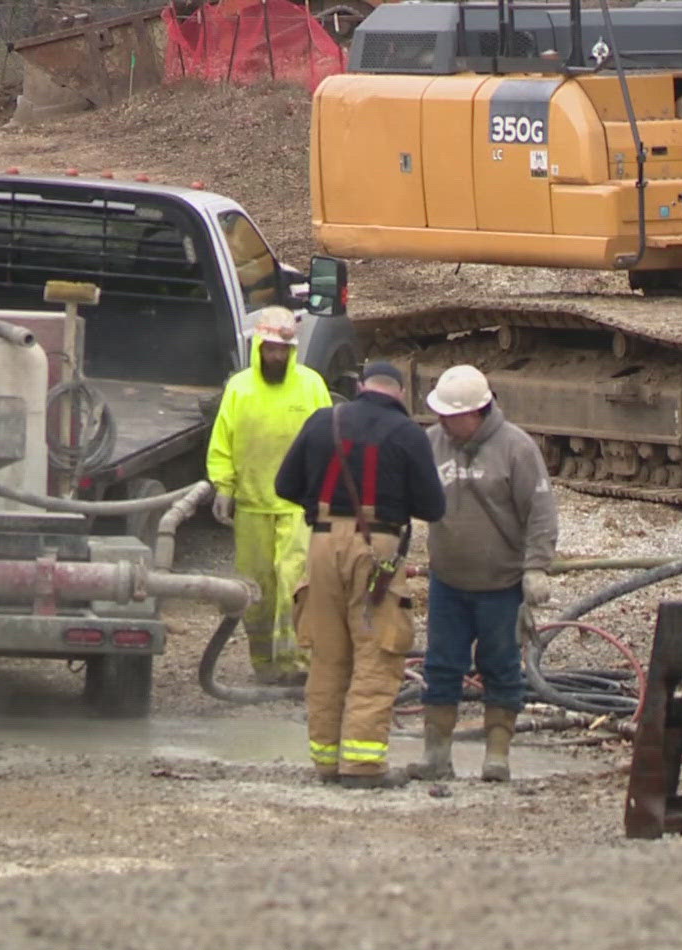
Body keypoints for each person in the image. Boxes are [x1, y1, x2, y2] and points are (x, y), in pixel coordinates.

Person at [275, 361, 446, 789]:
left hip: (322, 543)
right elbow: (433, 508)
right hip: (377, 551)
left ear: (360, 386)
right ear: (400, 393)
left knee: (328, 654)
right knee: (377, 653)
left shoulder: (322, 421)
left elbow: (284, 485)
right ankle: (364, 765)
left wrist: (324, 506)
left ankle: (327, 761)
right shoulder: (409, 434)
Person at [409, 365, 557, 783]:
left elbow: (541, 512)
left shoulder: (516, 448)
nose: (442, 421)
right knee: (440, 666)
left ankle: (497, 756)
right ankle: (436, 754)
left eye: (450, 415)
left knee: (501, 666)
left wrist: (536, 568)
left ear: (477, 412)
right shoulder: (430, 444)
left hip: (501, 586)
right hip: (448, 584)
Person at [206, 306, 334, 684]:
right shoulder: (239, 388)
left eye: (283, 349)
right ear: (259, 346)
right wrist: (223, 487)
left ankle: (296, 664)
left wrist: (327, 493)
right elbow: (222, 442)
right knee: (256, 585)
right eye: (271, 349)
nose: (276, 356)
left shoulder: (311, 386)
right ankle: (263, 663)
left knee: (293, 580)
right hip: (251, 504)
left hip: (298, 506)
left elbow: (329, 442)